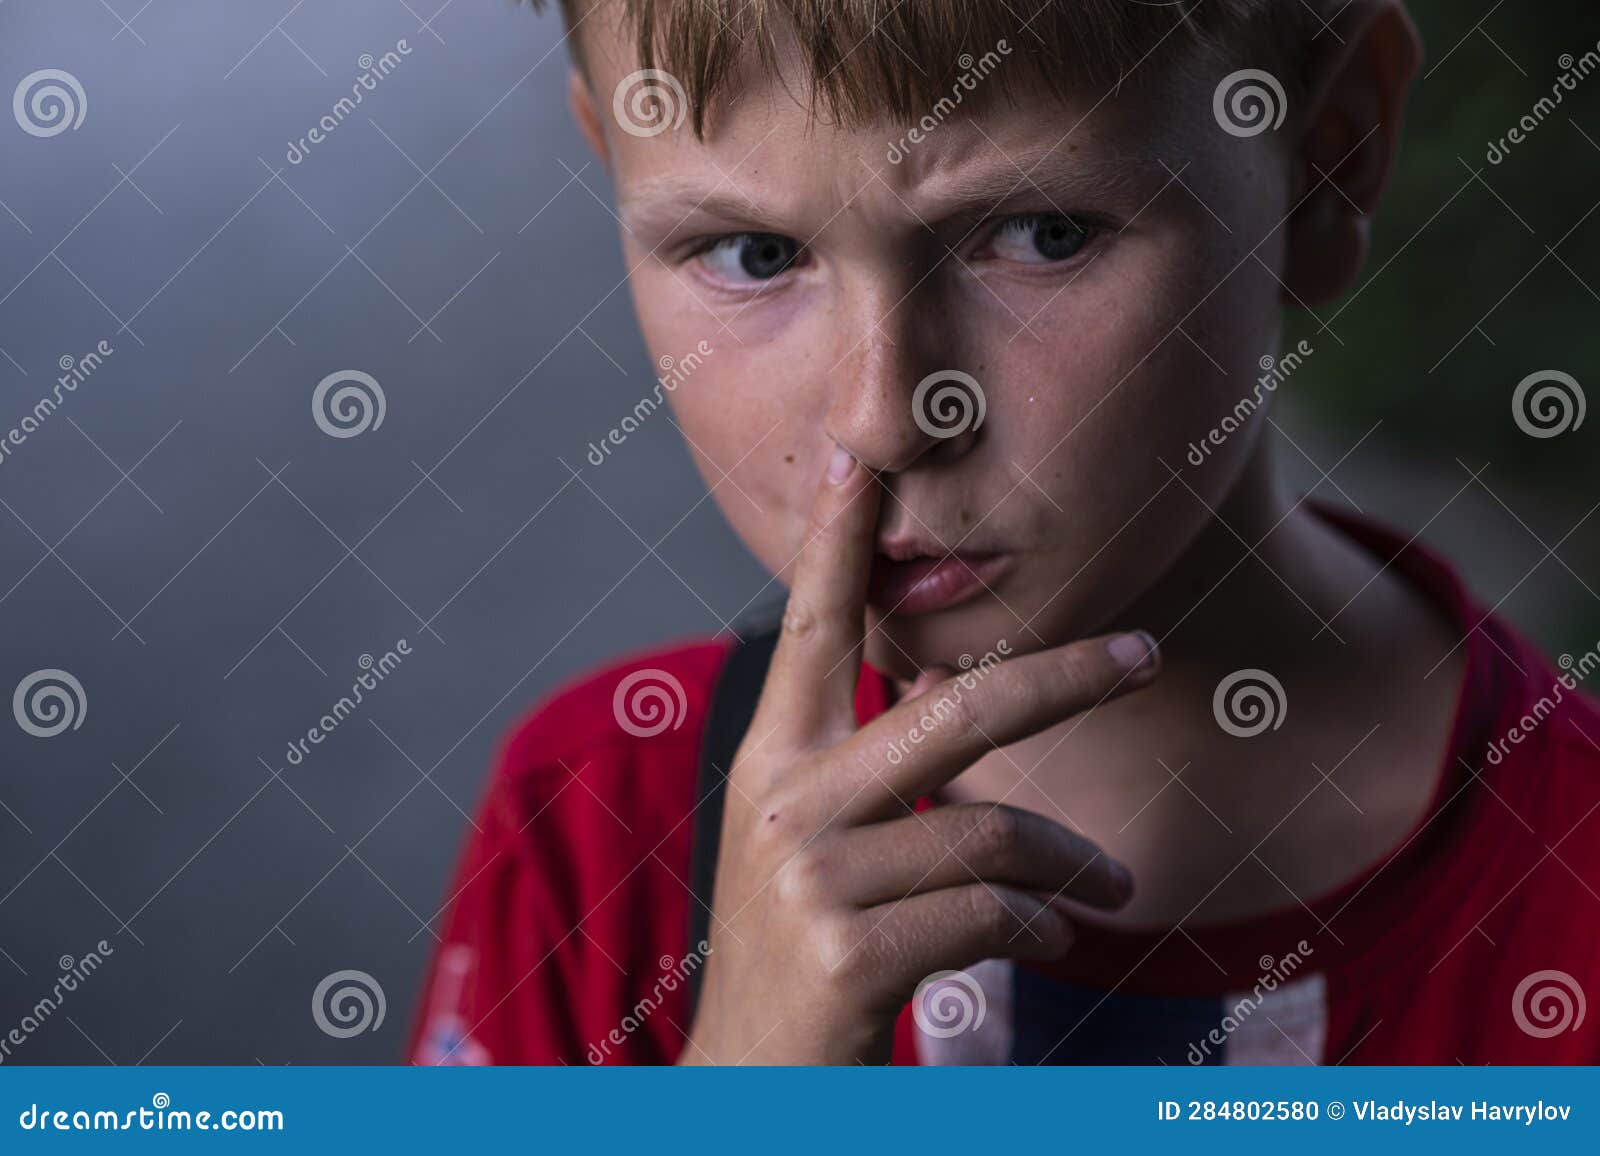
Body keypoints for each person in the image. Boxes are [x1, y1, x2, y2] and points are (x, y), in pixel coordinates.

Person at [409, 0, 1600, 1065]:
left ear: (1326, 159)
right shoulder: (589, 832)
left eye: (1039, 234)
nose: (882, 419)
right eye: (754, 254)